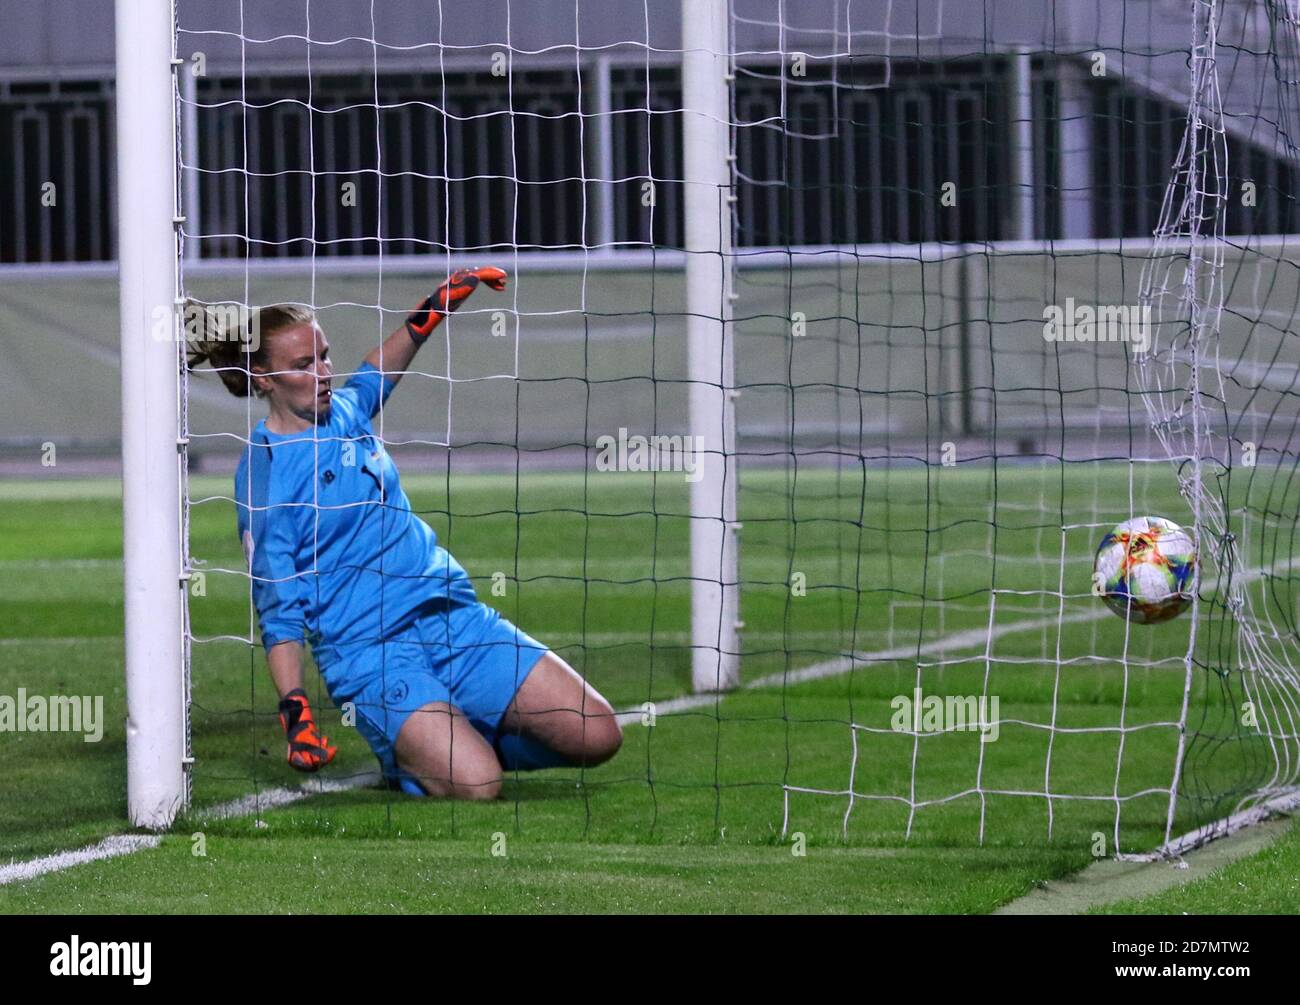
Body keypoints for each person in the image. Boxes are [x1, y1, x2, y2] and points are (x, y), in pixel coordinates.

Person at [187, 268, 622, 799]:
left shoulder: (347, 410)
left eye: (324, 355)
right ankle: (416, 760)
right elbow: (277, 607)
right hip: (370, 652)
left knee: (598, 735)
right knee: (479, 786)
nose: (323, 372)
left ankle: (455, 735)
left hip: (451, 616)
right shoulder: (267, 475)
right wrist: (295, 711)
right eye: (303, 365)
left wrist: (443, 300)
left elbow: (382, 362)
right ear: (262, 378)